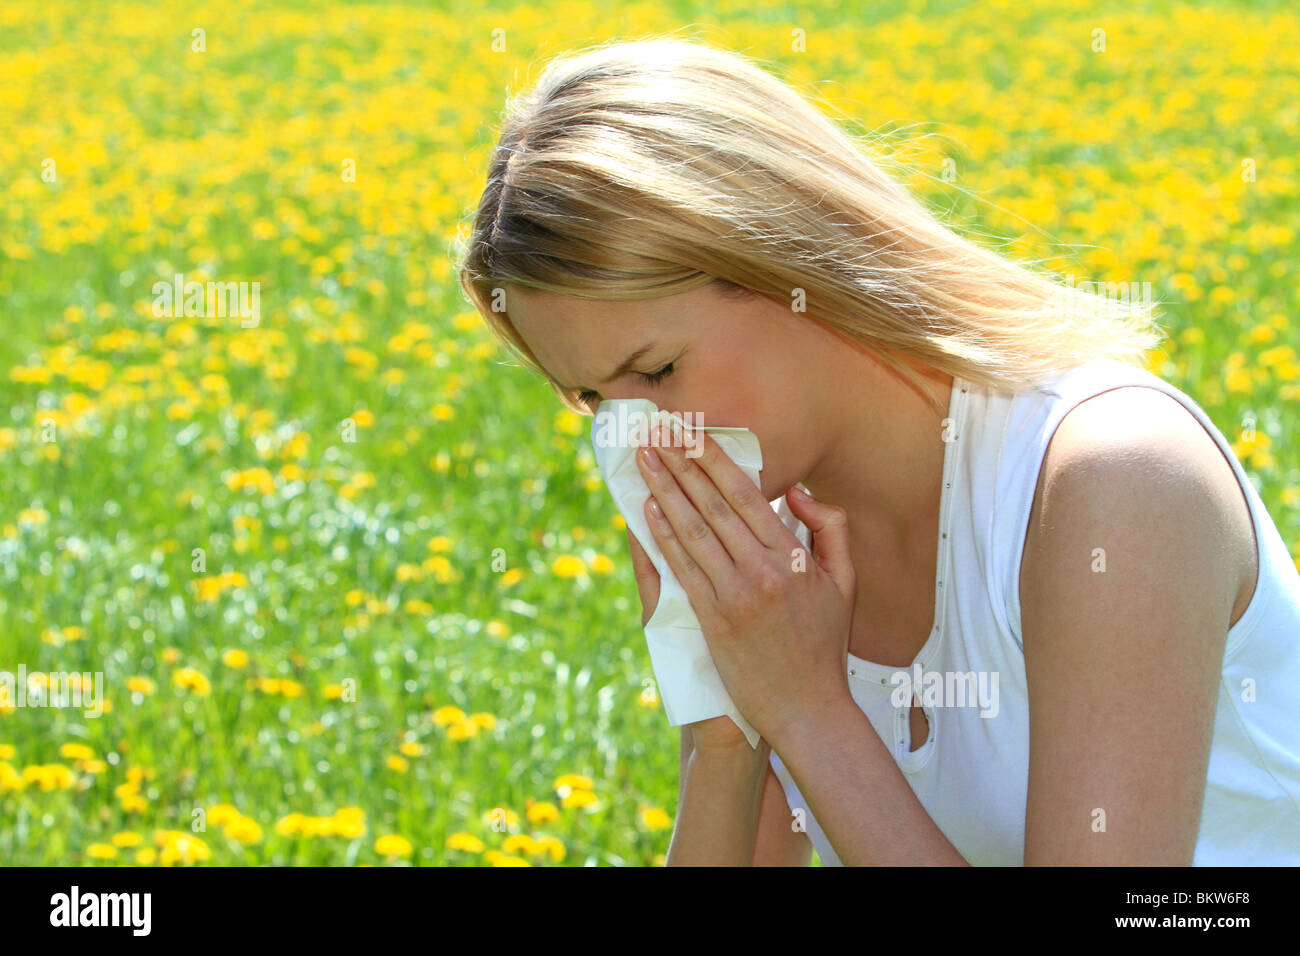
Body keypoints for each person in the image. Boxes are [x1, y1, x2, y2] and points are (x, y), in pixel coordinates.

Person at [455, 37, 1300, 865]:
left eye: (658, 371)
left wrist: (808, 710)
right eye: (596, 402)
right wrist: (721, 728)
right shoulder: (777, 549)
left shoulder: (1109, 484)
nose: (644, 450)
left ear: (783, 260)